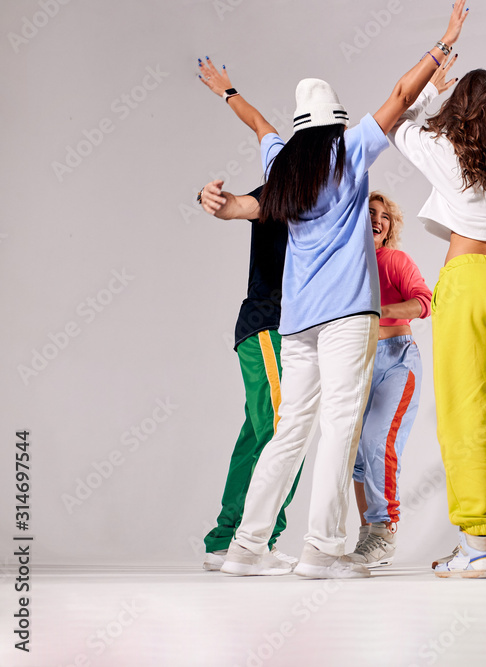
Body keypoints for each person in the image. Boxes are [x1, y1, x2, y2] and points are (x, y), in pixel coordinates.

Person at [206, 1, 470, 579]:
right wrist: (444, 42)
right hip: (348, 316)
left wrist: (227, 96)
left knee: (290, 428)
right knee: (339, 427)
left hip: (297, 321)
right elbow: (402, 94)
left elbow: (259, 126)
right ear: (337, 121)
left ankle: (247, 547)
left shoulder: (283, 161)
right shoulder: (348, 150)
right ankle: (321, 550)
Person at [388, 47, 486, 578]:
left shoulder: (445, 148)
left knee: (462, 414)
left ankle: (477, 545)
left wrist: (435, 84)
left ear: (459, 112)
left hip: (472, 278)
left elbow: (401, 116)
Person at [194, 97, 302, 576]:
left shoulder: (315, 194)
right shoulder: (279, 193)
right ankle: (259, 539)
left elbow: (261, 124)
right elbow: (242, 206)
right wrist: (217, 203)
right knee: (285, 431)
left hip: (277, 332)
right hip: (266, 327)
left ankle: (224, 539)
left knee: (257, 436)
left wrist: (227, 89)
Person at [346, 190, 436, 568]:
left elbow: (425, 301)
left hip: (397, 359)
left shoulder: (394, 259)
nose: (377, 219)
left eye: (384, 216)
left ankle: (385, 530)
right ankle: (368, 532)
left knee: (377, 439)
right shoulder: (345, 265)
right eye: (369, 212)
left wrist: (378, 311)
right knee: (355, 456)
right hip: (356, 361)